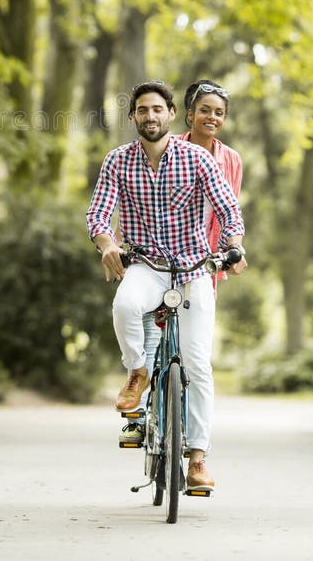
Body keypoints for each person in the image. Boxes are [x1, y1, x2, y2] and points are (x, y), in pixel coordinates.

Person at [86, 81, 247, 491]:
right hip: (145, 266)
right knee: (124, 307)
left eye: (157, 109)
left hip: (194, 270)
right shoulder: (118, 161)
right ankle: (137, 371)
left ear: (171, 114)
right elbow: (99, 215)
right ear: (133, 117)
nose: (150, 116)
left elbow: (229, 209)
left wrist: (234, 245)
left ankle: (197, 460)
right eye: (142, 110)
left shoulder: (197, 159)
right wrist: (107, 245)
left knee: (197, 364)